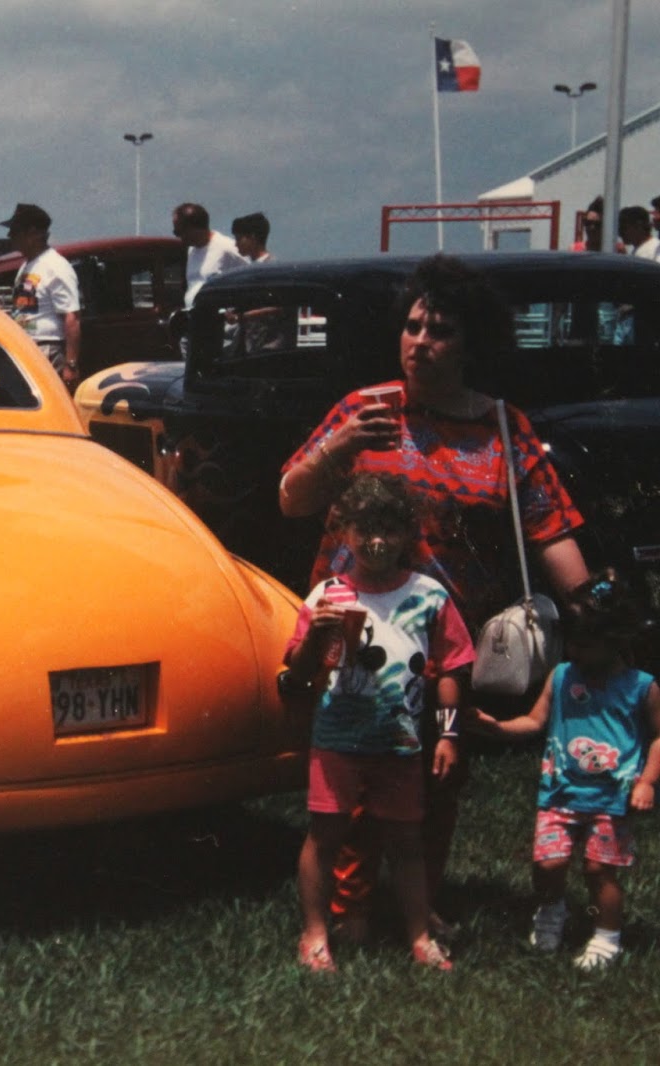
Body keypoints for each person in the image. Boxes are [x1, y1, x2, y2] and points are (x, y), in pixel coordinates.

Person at [278, 253, 590, 942]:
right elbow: (292, 498)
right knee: (353, 779)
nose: (421, 340)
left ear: (471, 343)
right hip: (354, 644)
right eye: (413, 326)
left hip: (442, 646)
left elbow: (549, 526)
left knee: (436, 779)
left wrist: (590, 604)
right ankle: (349, 911)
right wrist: (342, 449)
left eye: (441, 330)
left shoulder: (503, 429)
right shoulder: (364, 410)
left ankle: (420, 904)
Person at [285, 474, 473, 973]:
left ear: (407, 534)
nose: (376, 541)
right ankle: (315, 934)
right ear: (344, 533)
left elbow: (453, 665)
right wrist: (315, 638)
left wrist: (449, 733)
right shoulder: (326, 596)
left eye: (389, 529)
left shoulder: (429, 595)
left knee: (407, 840)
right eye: (365, 528)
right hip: (337, 741)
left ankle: (418, 937)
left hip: (400, 742)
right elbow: (298, 673)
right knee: (326, 833)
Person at [472, 569, 660, 970]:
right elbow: (535, 722)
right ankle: (551, 911)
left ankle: (607, 937)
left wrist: (646, 781)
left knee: (599, 870)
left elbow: (659, 737)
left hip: (612, 797)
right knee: (549, 863)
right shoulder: (561, 677)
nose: (575, 650)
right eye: (572, 641)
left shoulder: (641, 687)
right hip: (560, 793)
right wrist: (499, 728)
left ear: (614, 640)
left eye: (586, 642)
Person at [0, 203, 81, 388]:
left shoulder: (56, 266)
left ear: (33, 233)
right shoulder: (27, 265)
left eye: (15, 231)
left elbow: (72, 317)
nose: (10, 236)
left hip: (48, 347)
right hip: (28, 346)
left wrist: (71, 364)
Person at [173, 202, 248, 309]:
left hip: (222, 322)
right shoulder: (191, 251)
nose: (178, 237)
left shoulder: (227, 248)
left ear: (194, 228)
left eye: (178, 232)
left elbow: (250, 279)